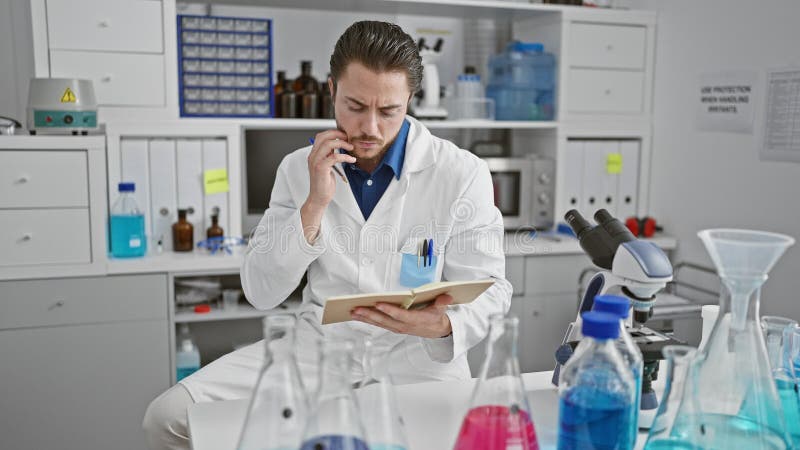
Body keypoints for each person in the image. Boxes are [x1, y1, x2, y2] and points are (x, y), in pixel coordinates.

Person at [142, 20, 512, 450]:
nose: (370, 127)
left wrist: (444, 324)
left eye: (388, 110)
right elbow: (261, 290)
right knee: (166, 419)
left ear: (410, 100)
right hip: (317, 352)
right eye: (355, 105)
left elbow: (493, 287)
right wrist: (314, 203)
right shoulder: (298, 168)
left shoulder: (461, 173)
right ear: (332, 89)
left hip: (418, 360)